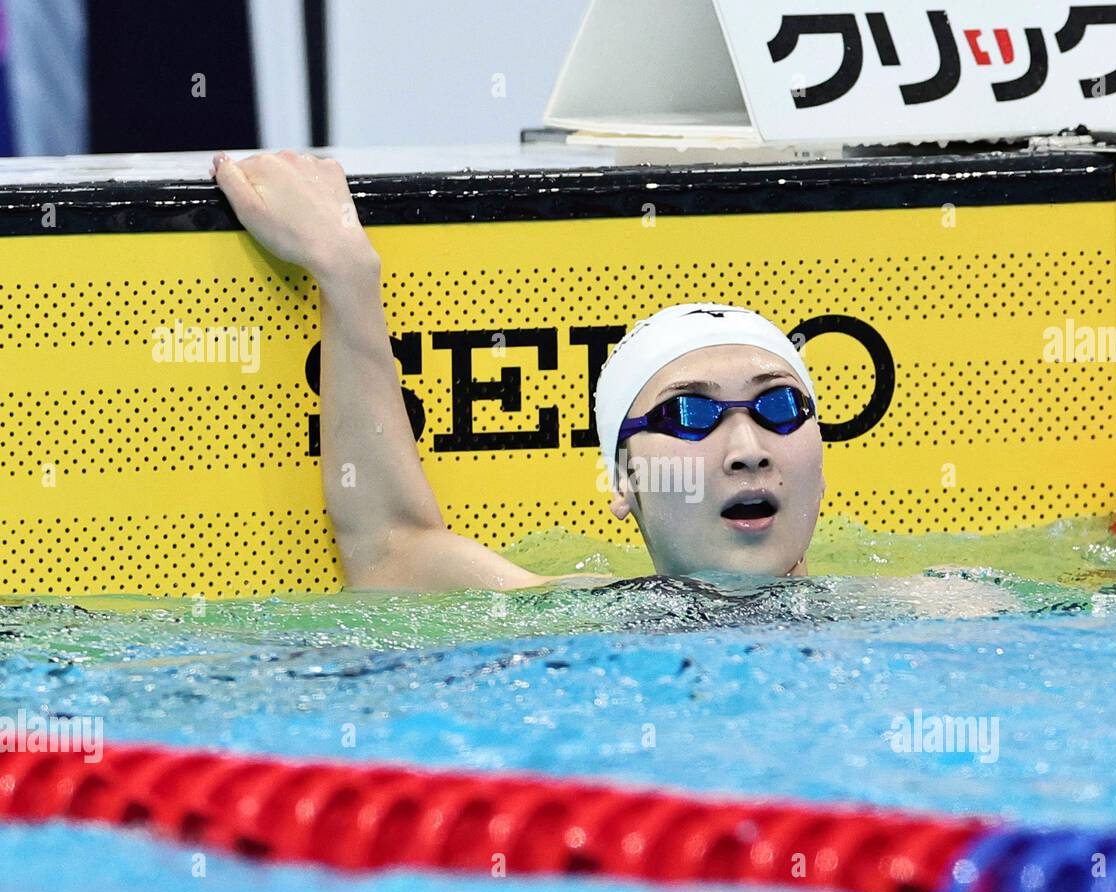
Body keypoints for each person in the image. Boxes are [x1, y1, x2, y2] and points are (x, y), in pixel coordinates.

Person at [211, 150, 829, 593]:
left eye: (778, 405)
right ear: (623, 479)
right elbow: (390, 549)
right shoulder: (584, 619)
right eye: (689, 414)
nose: (749, 450)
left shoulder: (917, 608)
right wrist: (346, 274)